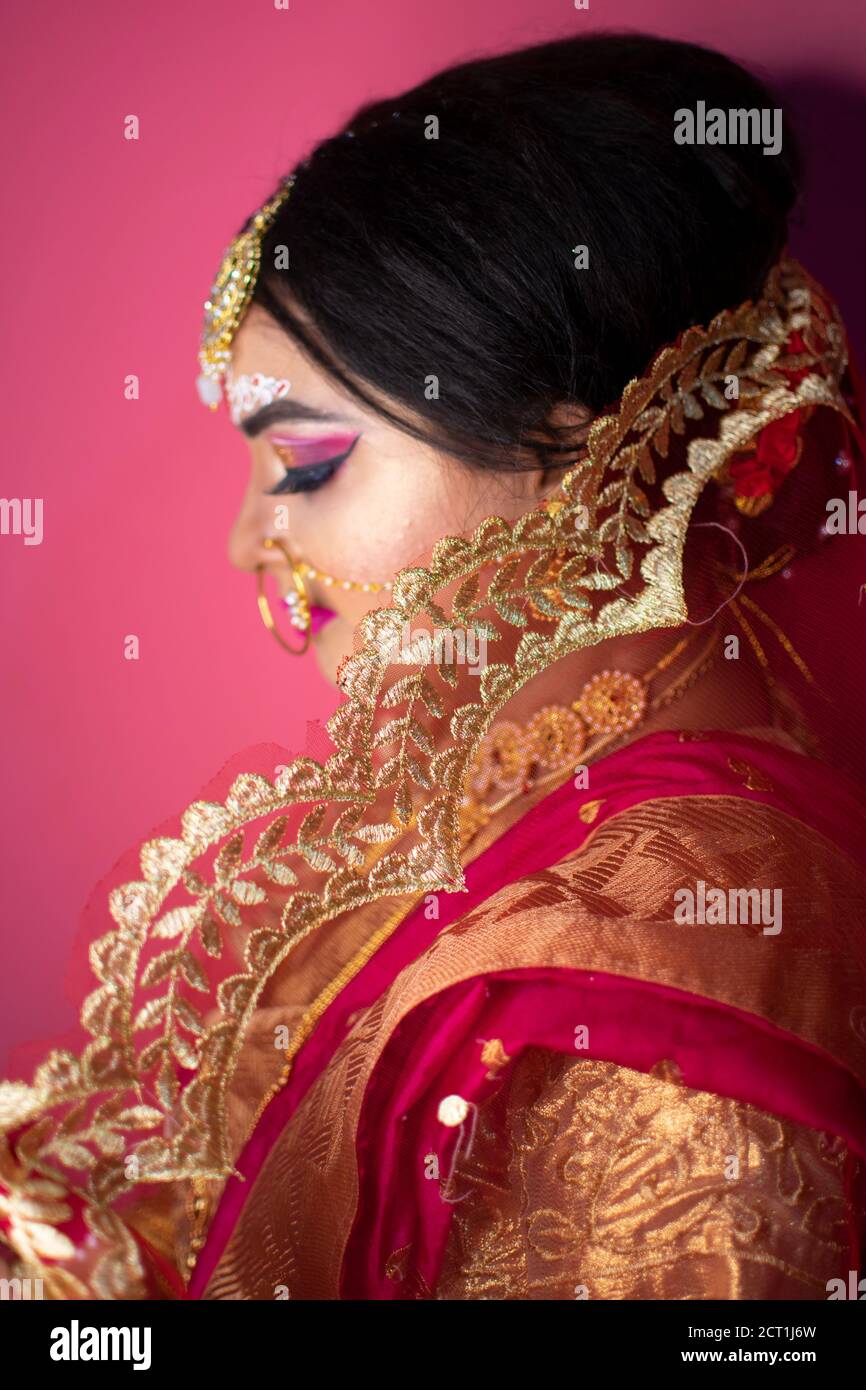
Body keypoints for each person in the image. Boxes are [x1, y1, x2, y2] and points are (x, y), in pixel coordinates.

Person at [2, 31, 865, 1301]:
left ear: (578, 448)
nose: (251, 541)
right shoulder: (524, 828)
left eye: (304, 462)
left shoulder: (659, 989)